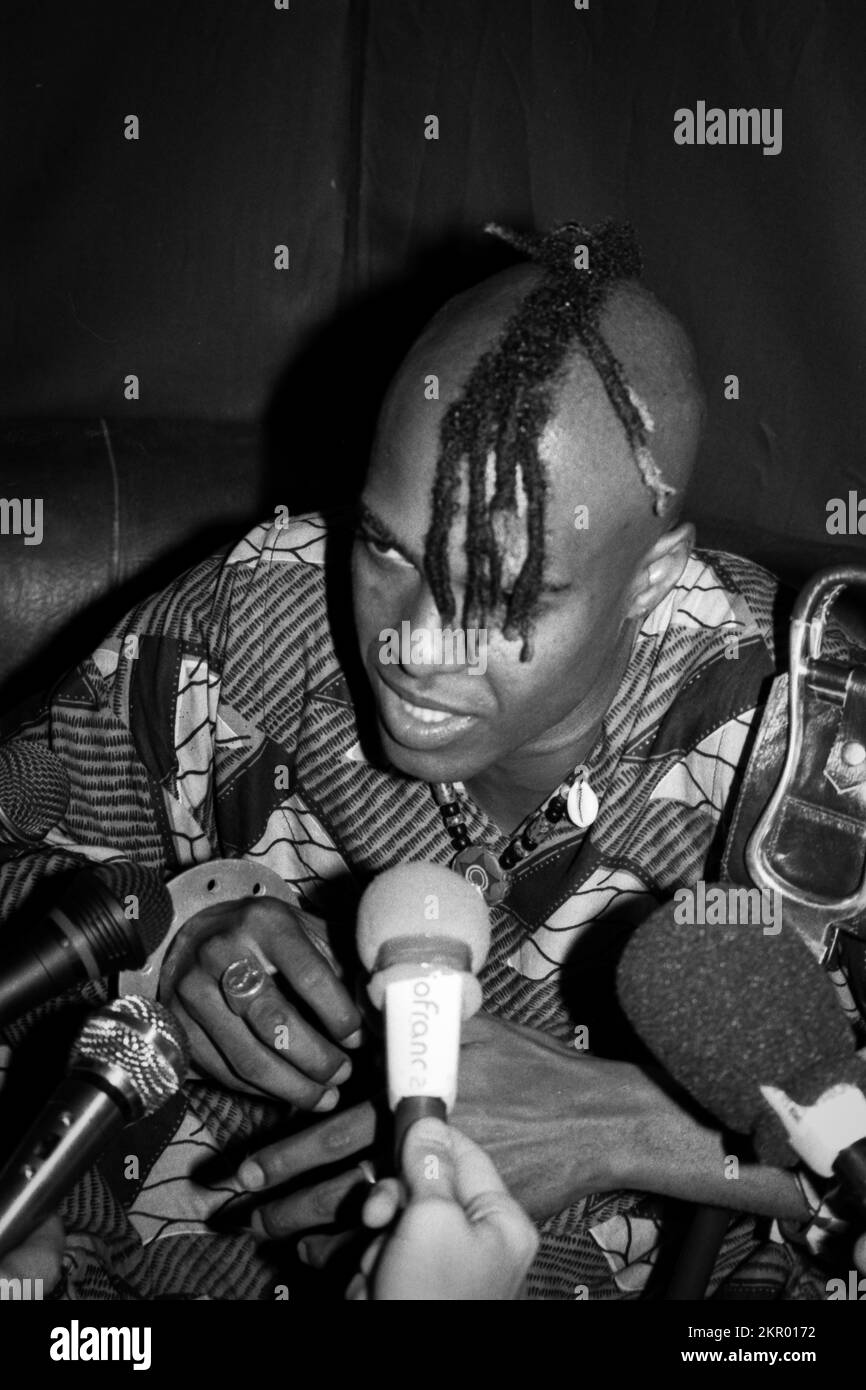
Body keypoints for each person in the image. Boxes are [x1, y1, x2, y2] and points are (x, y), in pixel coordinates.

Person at [0, 220, 858, 1300]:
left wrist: (630, 1125)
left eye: (504, 598)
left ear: (650, 579)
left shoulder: (817, 770)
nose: (411, 642)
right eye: (385, 547)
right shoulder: (247, 620)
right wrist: (159, 925)